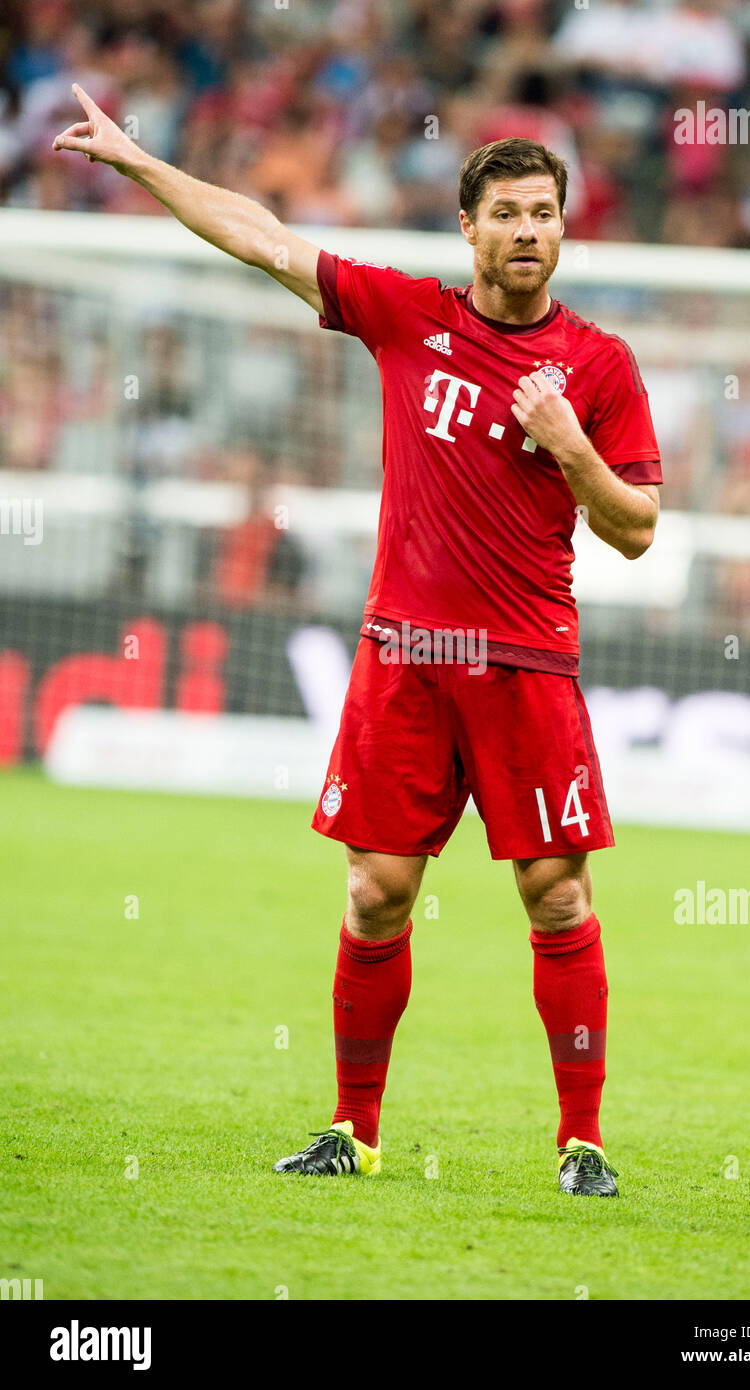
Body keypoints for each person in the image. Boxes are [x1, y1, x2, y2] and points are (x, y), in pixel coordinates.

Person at [54, 88, 662, 1196]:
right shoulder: (405, 316)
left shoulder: (600, 368)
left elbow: (634, 530)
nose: (528, 230)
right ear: (466, 230)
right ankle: (352, 1128)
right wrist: (140, 161)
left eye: (545, 212)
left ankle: (582, 1141)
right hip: (405, 661)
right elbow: (262, 237)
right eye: (508, 212)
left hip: (527, 664)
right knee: (376, 892)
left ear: (563, 229)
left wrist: (570, 448)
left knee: (556, 896)